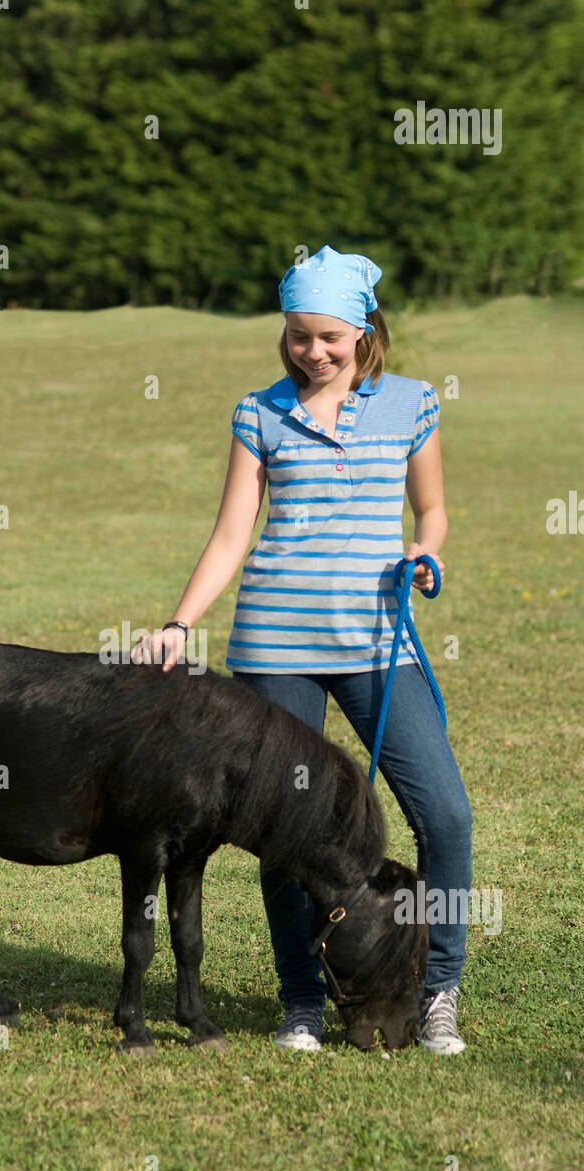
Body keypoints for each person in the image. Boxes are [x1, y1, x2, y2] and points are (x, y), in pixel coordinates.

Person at [130, 243, 472, 1056]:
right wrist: (178, 625)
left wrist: (426, 552)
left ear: (362, 330)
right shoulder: (258, 413)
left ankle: (436, 993)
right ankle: (300, 1003)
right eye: (296, 336)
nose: (312, 352)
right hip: (272, 648)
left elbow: (432, 510)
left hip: (376, 644)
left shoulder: (411, 404)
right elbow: (229, 538)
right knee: (285, 828)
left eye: (327, 336)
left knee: (446, 816)